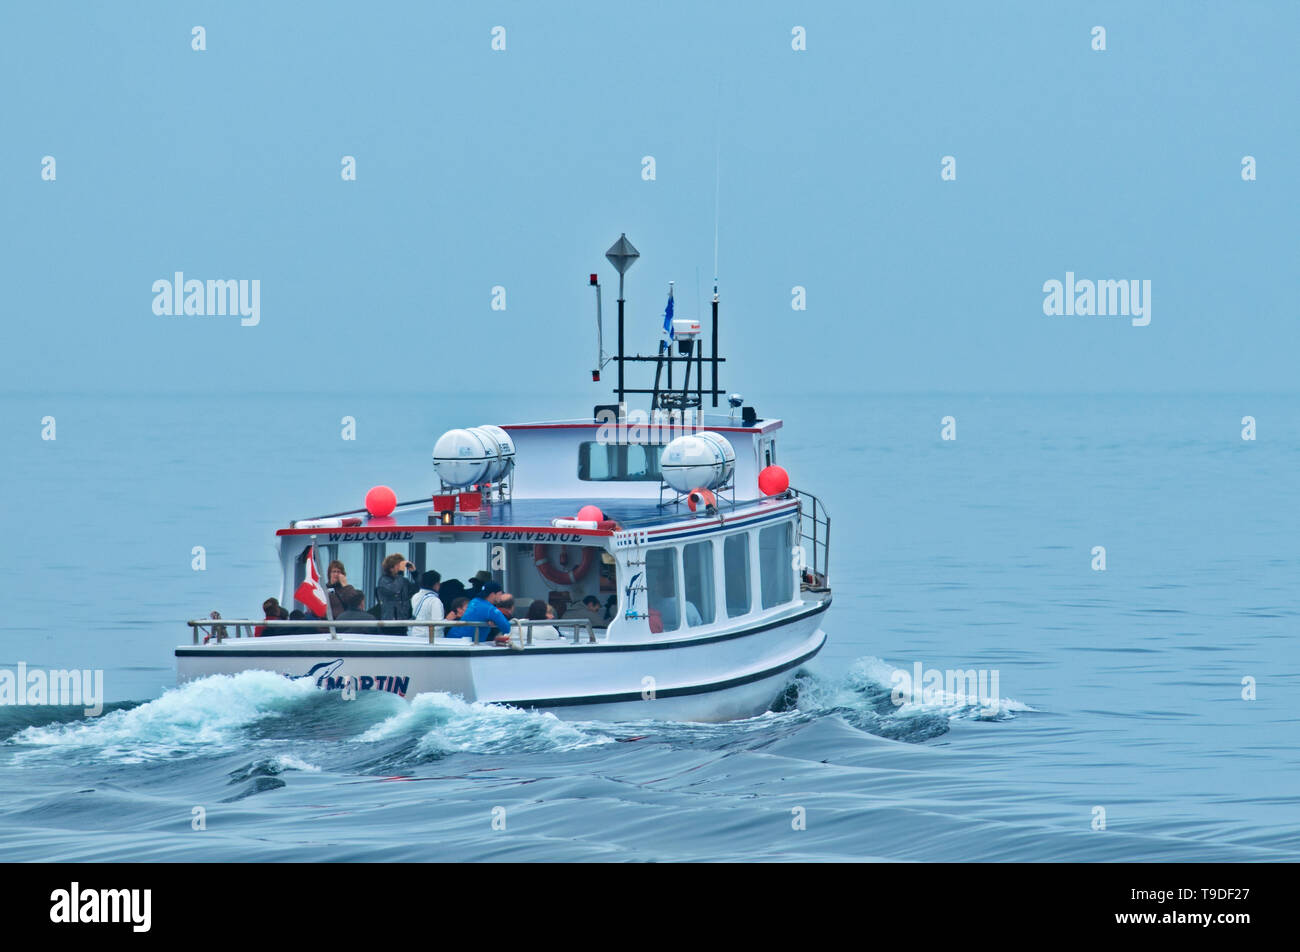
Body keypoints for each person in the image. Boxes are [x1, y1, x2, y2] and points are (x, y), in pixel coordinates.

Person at [448, 591, 513, 645]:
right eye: (468, 608)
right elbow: (507, 629)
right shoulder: (490, 610)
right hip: (463, 644)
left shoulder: (487, 613)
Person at [375, 553, 419, 631]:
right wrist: (401, 573)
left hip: (403, 621)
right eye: (398, 565)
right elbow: (395, 589)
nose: (401, 568)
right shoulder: (383, 580)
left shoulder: (403, 580)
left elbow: (418, 589)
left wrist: (414, 573)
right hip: (389, 623)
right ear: (391, 568)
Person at [410, 570, 444, 639]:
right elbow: (438, 625)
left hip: (415, 636)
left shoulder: (415, 596)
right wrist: (448, 620)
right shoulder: (435, 601)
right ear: (436, 585)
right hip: (431, 640)